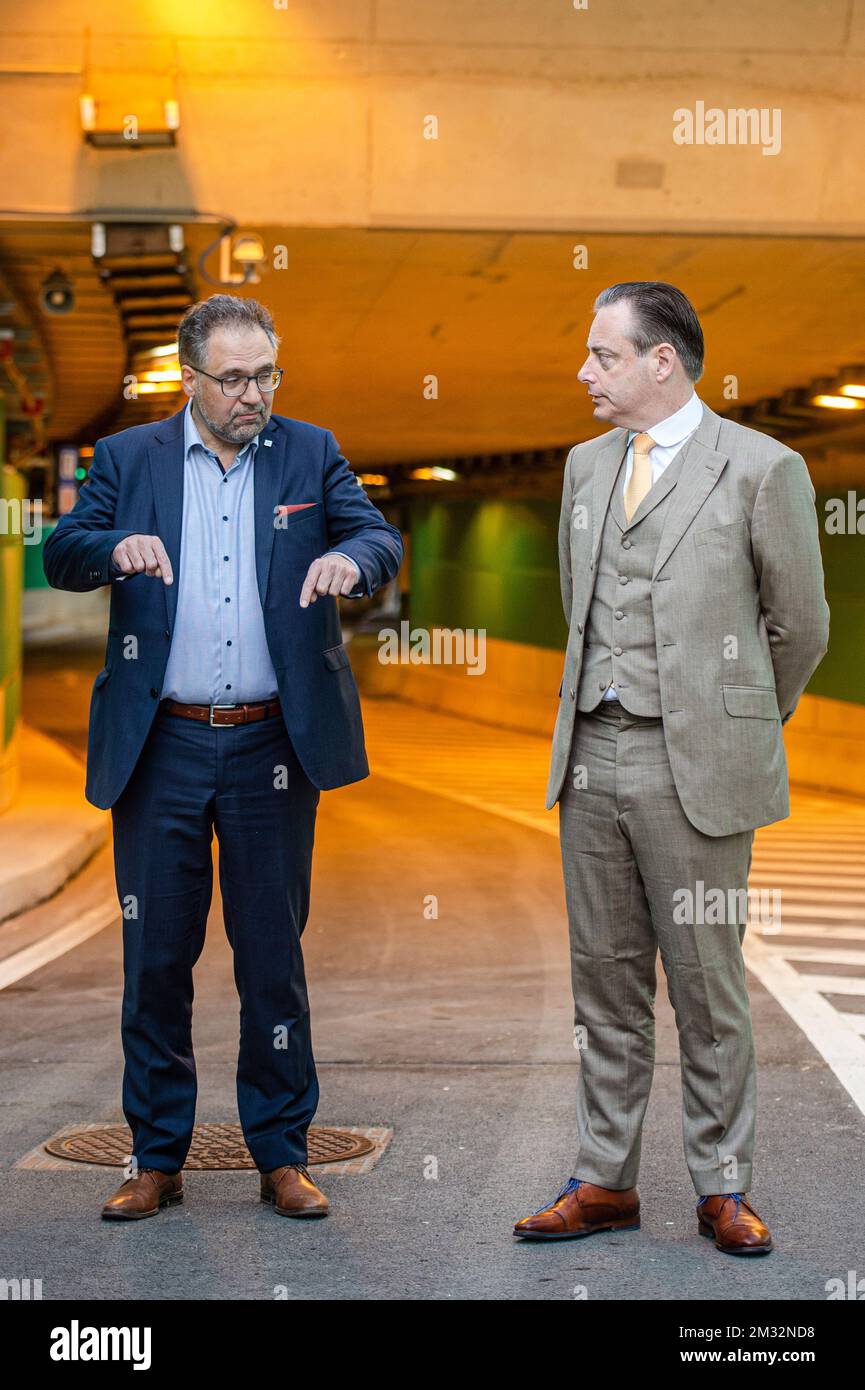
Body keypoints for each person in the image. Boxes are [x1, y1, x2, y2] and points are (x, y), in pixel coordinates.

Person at [43, 294, 403, 1222]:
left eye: (267, 374)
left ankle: (281, 1156)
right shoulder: (129, 457)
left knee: (271, 960)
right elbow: (63, 552)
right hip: (159, 743)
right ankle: (156, 1157)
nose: (255, 394)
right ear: (190, 377)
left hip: (271, 743)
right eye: (235, 378)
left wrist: (355, 563)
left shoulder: (309, 452)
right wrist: (114, 547)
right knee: (156, 960)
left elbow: (377, 535)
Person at [513, 281, 829, 1255]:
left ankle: (722, 1185)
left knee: (705, 986)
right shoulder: (584, 466)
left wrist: (737, 721)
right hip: (590, 754)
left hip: (695, 763)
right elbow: (582, 603)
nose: (584, 372)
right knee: (602, 983)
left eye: (602, 355)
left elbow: (800, 626)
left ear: (662, 361)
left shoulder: (762, 468)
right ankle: (603, 1180)